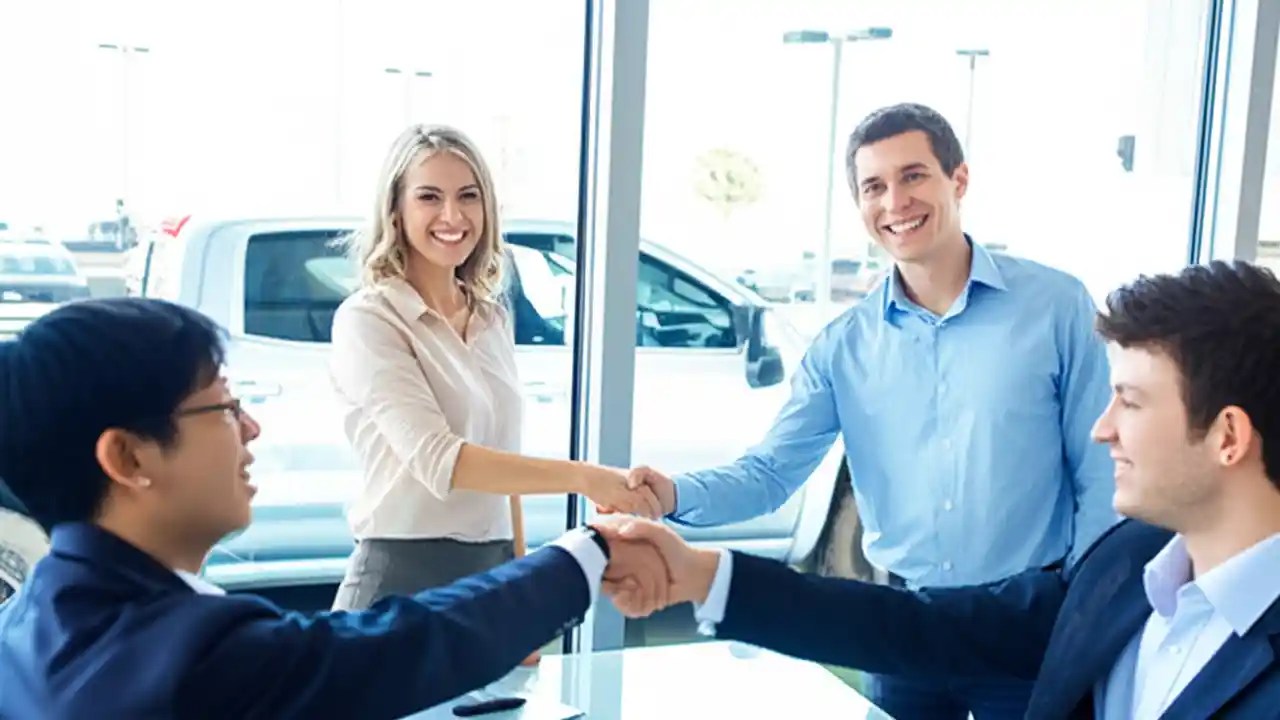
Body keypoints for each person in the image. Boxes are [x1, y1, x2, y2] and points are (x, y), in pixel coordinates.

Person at [609, 260, 1280, 719]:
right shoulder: (1129, 566)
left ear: (1228, 436)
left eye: (1130, 403)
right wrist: (701, 575)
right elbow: (923, 624)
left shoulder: (1046, 307)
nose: (1103, 430)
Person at [625, 103, 1117, 717]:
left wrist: (1091, 603)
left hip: (1027, 619)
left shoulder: (1055, 306)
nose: (895, 203)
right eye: (874, 187)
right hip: (901, 625)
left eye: (913, 176)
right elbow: (771, 474)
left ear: (957, 180)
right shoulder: (842, 346)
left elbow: (1099, 470)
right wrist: (670, 494)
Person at [0, 297, 671, 719]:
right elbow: (401, 646)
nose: (251, 429)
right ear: (129, 459)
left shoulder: (29, 622)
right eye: (226, 408)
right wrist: (593, 550)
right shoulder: (185, 657)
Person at [328, 124, 661, 633]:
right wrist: (585, 476)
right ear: (395, 209)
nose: (452, 216)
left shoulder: (490, 316)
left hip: (489, 578)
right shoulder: (369, 319)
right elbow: (441, 459)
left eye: (468, 196)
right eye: (429, 198)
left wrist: (518, 587)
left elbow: (506, 462)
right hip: (399, 581)